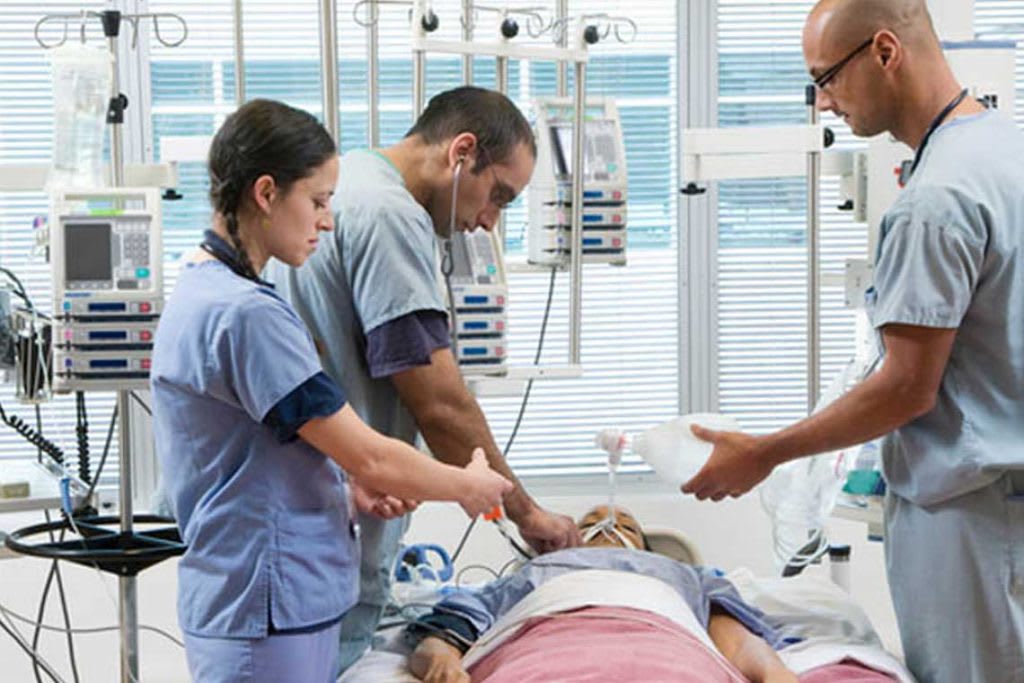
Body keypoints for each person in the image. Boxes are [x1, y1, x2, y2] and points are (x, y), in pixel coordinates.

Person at [681, 2, 1024, 681]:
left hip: (969, 524)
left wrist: (765, 451)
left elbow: (905, 386)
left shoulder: (934, 202)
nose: (824, 102)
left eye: (828, 78)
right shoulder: (1004, 151)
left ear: (886, 52)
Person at [150, 98, 513, 683]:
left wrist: (345, 493)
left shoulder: (207, 290)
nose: (327, 220)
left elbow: (250, 460)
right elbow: (366, 451)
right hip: (266, 606)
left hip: (266, 597)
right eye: (317, 201)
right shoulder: (247, 316)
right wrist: (467, 486)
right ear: (266, 194)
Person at [267, 86, 581, 670]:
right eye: (498, 197)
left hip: (313, 519)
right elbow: (439, 405)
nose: (488, 222)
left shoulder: (353, 181)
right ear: (462, 153)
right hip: (329, 533)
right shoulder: (390, 216)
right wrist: (527, 514)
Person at [403, 506, 903, 683]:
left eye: (623, 523)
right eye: (593, 521)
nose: (607, 526)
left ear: (641, 545)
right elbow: (448, 631)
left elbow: (729, 632)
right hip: (547, 641)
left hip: (660, 640)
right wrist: (441, 662)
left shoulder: (675, 573)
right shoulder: (534, 573)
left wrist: (772, 672)